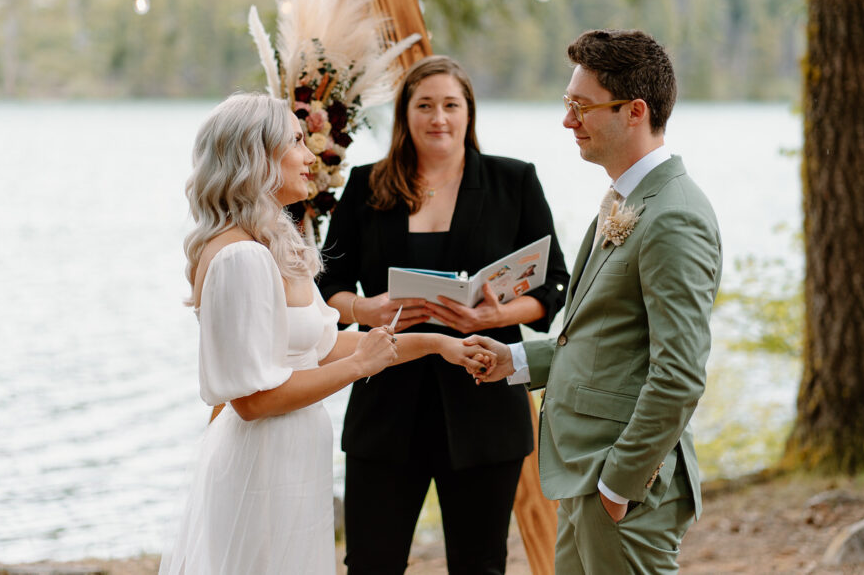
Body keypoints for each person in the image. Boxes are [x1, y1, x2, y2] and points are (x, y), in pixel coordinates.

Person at [158, 93, 492, 575]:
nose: (312, 156)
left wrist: (438, 345)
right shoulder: (241, 257)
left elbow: (325, 345)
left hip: (292, 460)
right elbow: (251, 400)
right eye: (296, 142)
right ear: (258, 154)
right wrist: (360, 367)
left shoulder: (275, 239)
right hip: (260, 465)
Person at [466, 29, 723, 574]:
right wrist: (510, 360)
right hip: (586, 474)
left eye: (581, 107)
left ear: (634, 111)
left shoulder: (674, 215)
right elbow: (598, 340)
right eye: (567, 104)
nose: (567, 120)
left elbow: (678, 374)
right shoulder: (625, 199)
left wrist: (618, 484)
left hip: (623, 487)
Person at [318, 55, 570, 574]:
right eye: (424, 105)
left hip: (482, 402)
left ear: (468, 112)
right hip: (385, 402)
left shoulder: (513, 181)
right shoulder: (366, 186)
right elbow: (326, 285)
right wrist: (364, 308)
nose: (438, 118)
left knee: (479, 567)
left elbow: (554, 285)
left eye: (450, 105)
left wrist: (490, 318)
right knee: (370, 564)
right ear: (405, 114)